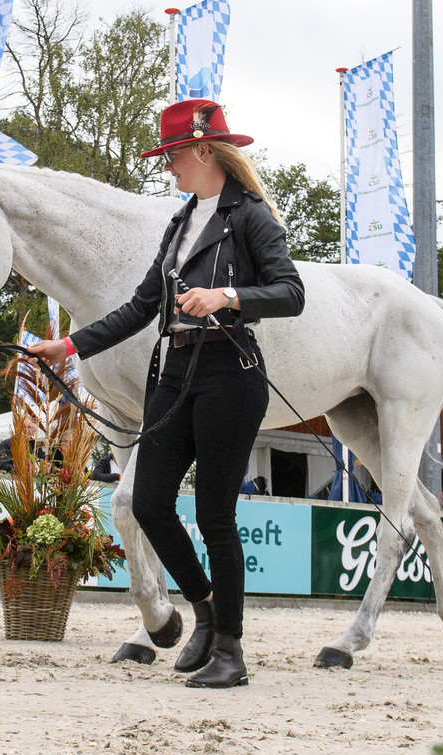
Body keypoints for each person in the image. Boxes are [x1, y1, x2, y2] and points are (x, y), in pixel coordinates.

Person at [32, 99, 305, 689]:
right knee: (149, 501)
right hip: (175, 373)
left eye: (173, 154)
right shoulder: (180, 223)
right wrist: (69, 346)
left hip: (230, 375)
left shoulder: (252, 217)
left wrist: (228, 297)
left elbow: (291, 292)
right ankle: (204, 611)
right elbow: (140, 307)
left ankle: (230, 650)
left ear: (203, 150)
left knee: (214, 515)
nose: (167, 166)